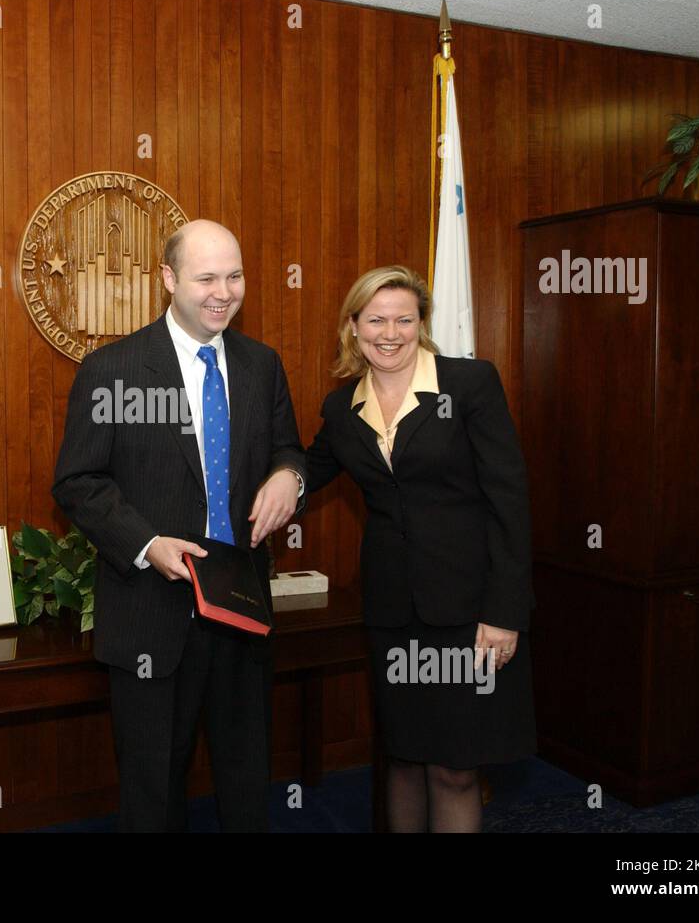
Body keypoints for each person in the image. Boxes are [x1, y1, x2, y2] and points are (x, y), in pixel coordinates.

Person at [53, 219, 305, 831]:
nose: (224, 292)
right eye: (207, 278)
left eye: (235, 276)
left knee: (247, 780)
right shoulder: (112, 369)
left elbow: (289, 450)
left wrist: (289, 478)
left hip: (241, 608)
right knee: (153, 789)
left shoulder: (261, 365)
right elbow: (77, 482)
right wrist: (144, 543)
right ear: (167, 279)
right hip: (151, 612)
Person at [305, 265, 535, 832]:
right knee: (403, 760)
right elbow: (306, 471)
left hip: (468, 613)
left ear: (421, 324)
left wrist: (504, 612)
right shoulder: (342, 409)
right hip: (391, 613)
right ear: (352, 328)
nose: (391, 332)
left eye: (404, 319)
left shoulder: (469, 384)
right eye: (376, 319)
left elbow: (510, 501)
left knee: (455, 769)